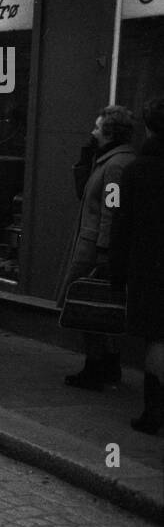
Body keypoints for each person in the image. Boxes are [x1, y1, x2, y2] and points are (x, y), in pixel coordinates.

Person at [60, 105, 136, 390]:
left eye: (96, 127)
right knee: (99, 308)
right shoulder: (109, 159)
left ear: (109, 132)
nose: (92, 131)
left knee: (88, 308)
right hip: (94, 242)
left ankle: (96, 367)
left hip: (94, 247)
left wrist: (103, 250)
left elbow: (111, 209)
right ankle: (106, 365)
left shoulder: (116, 165)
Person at [111, 97, 164, 433]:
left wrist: (117, 272)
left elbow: (121, 222)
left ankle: (153, 412)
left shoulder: (137, 170)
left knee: (158, 340)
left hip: (151, 267)